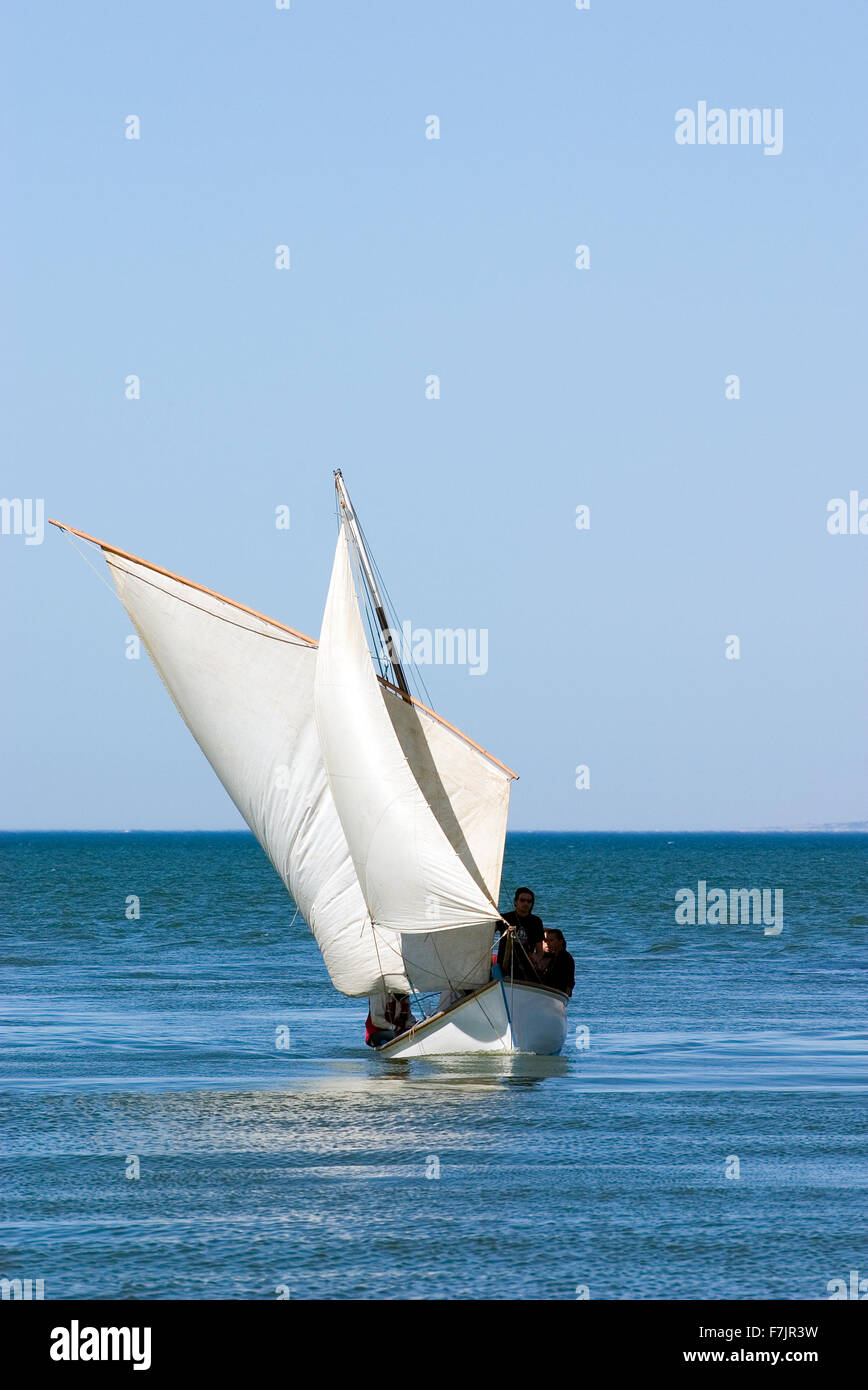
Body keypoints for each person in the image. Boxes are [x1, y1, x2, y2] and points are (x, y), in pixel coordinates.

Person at [496, 886, 545, 982]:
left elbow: (540, 950)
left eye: (529, 901)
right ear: (515, 902)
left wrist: (537, 958)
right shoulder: (504, 918)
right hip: (504, 964)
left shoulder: (536, 921)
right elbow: (487, 935)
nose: (526, 903)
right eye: (522, 900)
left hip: (525, 967)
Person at [538, 928, 575, 997]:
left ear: (560, 941)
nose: (548, 943)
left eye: (551, 940)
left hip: (557, 993)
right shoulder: (550, 956)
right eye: (546, 941)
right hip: (547, 992)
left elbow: (570, 981)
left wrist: (565, 997)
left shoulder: (566, 958)